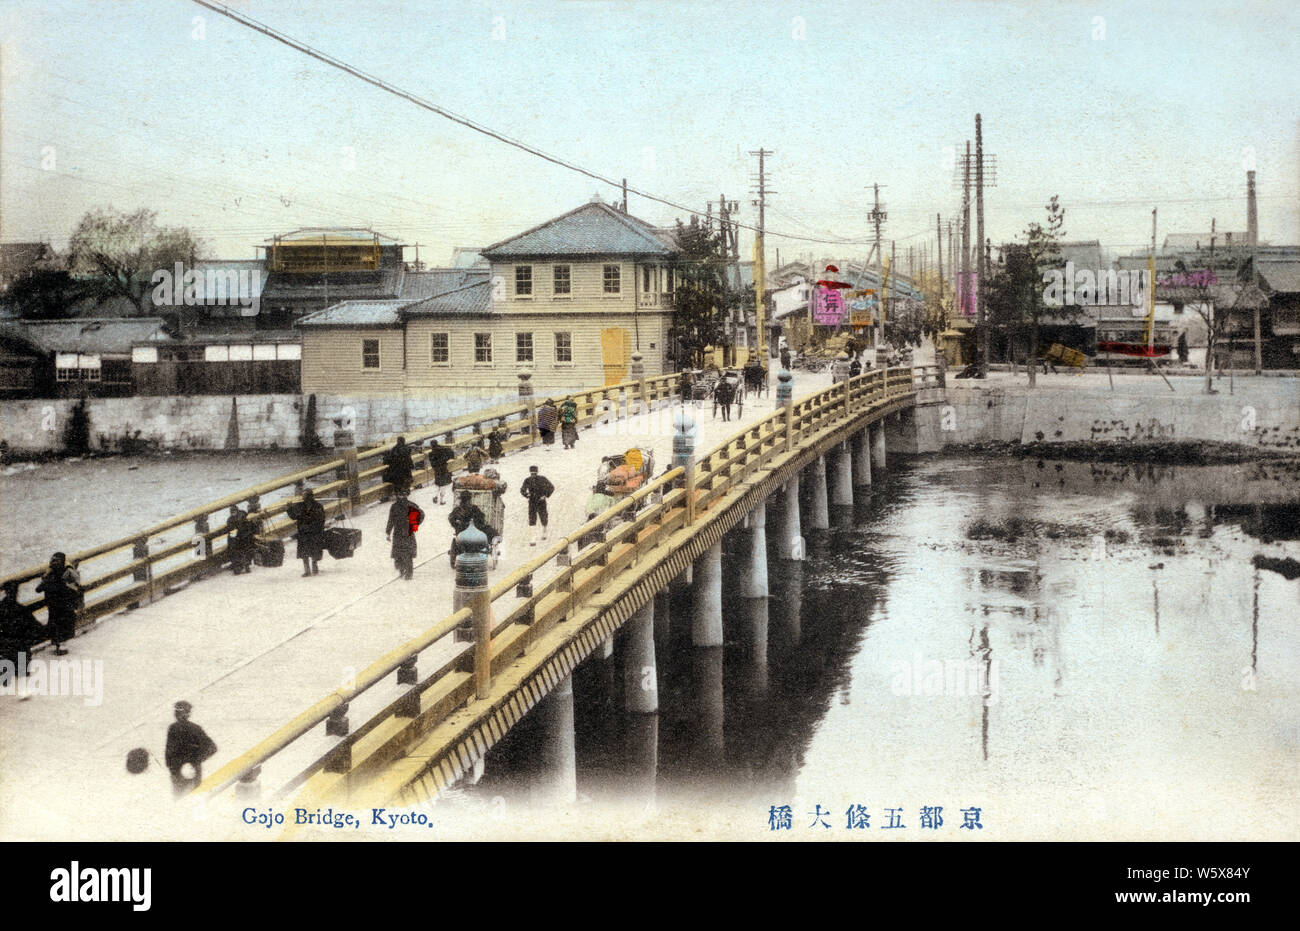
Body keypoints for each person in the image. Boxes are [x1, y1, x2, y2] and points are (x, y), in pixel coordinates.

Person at [165, 700, 217, 798]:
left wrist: (193, 762)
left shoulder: (191, 729)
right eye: (176, 712)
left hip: (187, 774)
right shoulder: (173, 728)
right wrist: (195, 762)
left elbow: (212, 747)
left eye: (179, 712)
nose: (177, 714)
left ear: (187, 714)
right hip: (180, 774)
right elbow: (169, 754)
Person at [35, 552, 79, 656]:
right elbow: (76, 583)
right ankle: (61, 644)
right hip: (63, 604)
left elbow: (38, 589)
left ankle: (58, 643)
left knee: (56, 623)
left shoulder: (50, 575)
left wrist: (45, 577)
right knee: (63, 623)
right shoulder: (67, 572)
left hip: (54, 604)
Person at [0, 580, 44, 678]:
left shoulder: (2, 608)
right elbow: (35, 625)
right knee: (22, 675)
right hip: (20, 647)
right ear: (16, 592)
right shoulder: (21, 609)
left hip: (5, 647)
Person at [385, 491, 425, 580]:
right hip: (398, 533)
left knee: (408, 554)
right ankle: (402, 570)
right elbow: (391, 519)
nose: (401, 497)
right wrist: (388, 532)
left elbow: (421, 515)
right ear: (397, 495)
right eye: (399, 495)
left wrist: (415, 524)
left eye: (403, 495)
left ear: (407, 495)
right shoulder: (394, 507)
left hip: (408, 532)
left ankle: (409, 573)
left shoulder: (411, 506)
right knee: (398, 553)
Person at [286, 489, 326, 577]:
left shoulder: (317, 506)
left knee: (314, 552)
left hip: (314, 533)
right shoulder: (300, 506)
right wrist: (289, 509)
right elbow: (294, 516)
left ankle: (315, 568)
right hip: (303, 533)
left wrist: (313, 528)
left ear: (310, 497)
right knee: (304, 553)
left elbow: (321, 520)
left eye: (305, 496)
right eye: (303, 496)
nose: (303, 498)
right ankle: (307, 571)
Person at [448, 491, 490, 569]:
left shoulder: (458, 509)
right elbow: (482, 518)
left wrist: (456, 523)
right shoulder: (474, 508)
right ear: (469, 500)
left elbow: (451, 519)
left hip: (461, 533)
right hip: (474, 533)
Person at [520, 465, 555, 546]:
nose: (533, 475)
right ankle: (542, 533)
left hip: (533, 501)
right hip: (539, 500)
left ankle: (534, 538)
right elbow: (552, 487)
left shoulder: (528, 480)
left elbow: (522, 490)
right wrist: (545, 495)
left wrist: (527, 495)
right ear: (537, 471)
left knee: (533, 518)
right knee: (542, 517)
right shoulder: (542, 478)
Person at [224, 506, 256, 575]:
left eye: (233, 511)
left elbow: (248, 524)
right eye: (232, 512)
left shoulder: (236, 517)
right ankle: (242, 565)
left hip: (244, 538)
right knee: (237, 547)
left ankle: (241, 565)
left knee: (237, 548)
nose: (233, 513)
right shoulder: (232, 519)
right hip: (243, 538)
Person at [427, 438, 455, 505]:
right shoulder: (442, 450)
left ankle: (435, 496)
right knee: (443, 485)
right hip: (444, 469)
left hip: (437, 470)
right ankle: (442, 500)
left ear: (431, 445)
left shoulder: (430, 454)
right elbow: (449, 455)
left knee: (438, 484)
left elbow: (432, 464)